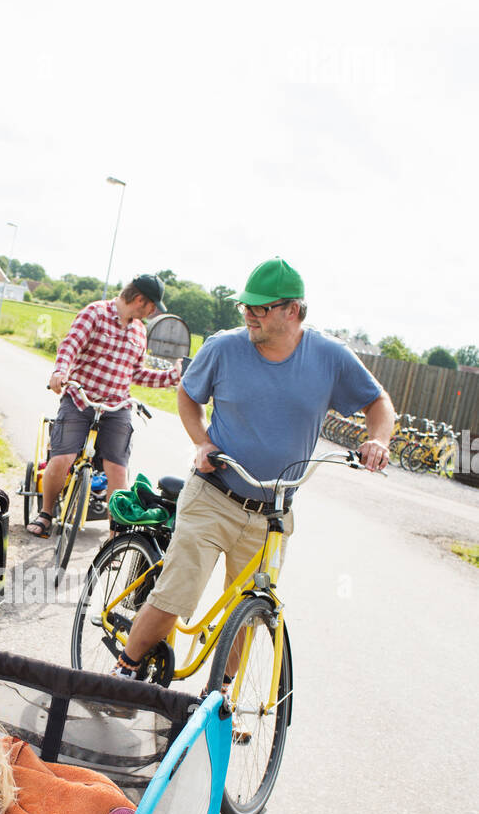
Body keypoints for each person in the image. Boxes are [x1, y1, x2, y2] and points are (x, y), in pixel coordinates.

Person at [113, 256, 395, 677]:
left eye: (259, 308)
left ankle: (221, 696)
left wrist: (378, 439)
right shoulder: (225, 347)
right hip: (213, 494)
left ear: (291, 311)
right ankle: (125, 669)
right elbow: (189, 395)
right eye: (245, 306)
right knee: (177, 593)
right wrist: (201, 441)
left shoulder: (330, 357)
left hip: (272, 515)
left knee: (246, 607)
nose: (248, 315)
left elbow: (378, 402)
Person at [26, 274, 182, 537]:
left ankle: (115, 534)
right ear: (139, 299)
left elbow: (135, 374)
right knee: (63, 457)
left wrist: (171, 377)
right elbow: (70, 345)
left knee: (117, 469)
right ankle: (46, 512)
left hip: (115, 407)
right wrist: (60, 371)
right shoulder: (95, 313)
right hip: (80, 399)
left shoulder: (139, 331)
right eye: (152, 305)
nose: (153, 312)